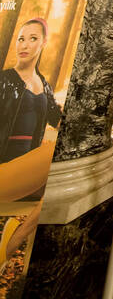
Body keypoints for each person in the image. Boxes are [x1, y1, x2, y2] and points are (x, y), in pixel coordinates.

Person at [0, 18, 62, 202]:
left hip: (28, 170)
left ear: (43, 43)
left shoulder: (45, 85)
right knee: (51, 152)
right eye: (21, 39)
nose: (24, 45)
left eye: (32, 38)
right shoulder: (4, 80)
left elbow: (58, 120)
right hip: (5, 168)